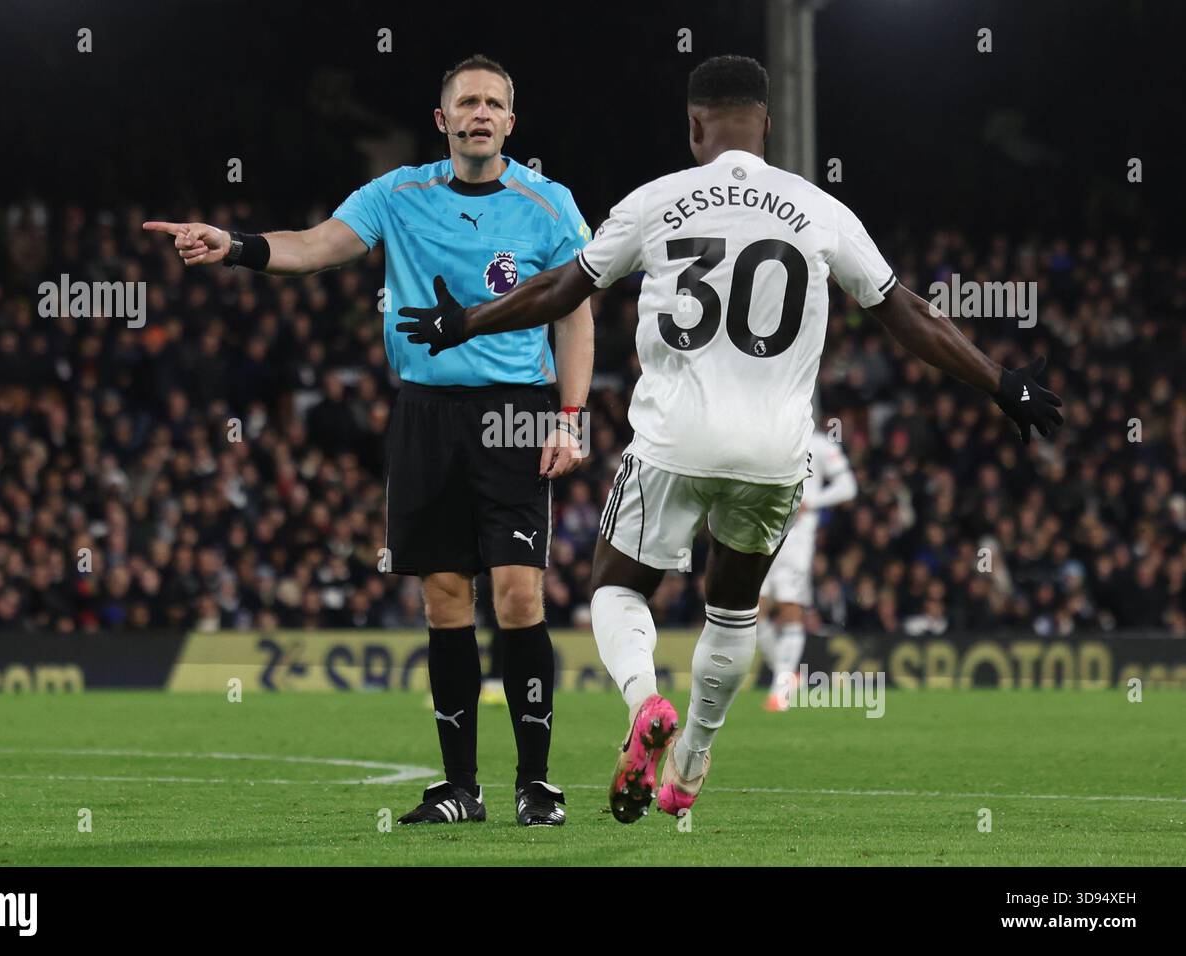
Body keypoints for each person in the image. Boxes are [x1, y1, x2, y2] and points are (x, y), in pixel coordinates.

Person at [397, 53, 1062, 822]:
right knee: (735, 611)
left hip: (675, 440)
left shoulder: (656, 201)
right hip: (776, 450)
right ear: (768, 127)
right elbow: (908, 312)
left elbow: (562, 289)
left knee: (617, 586)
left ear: (694, 127)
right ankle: (692, 761)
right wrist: (1001, 383)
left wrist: (464, 322)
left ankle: (645, 705)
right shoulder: (817, 208)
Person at [144, 54, 595, 827]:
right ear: (443, 120)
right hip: (423, 412)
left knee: (519, 594)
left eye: (493, 103)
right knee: (445, 597)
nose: (480, 113)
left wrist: (571, 414)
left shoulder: (548, 204)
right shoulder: (397, 193)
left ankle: (538, 783)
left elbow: (576, 311)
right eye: (467, 102)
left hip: (515, 410)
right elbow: (315, 246)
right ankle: (460, 788)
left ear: (510, 124)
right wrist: (237, 244)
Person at [759, 423, 857, 711]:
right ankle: (787, 675)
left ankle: (780, 691)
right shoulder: (770, 439)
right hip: (763, 533)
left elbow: (848, 486)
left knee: (790, 608)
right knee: (752, 611)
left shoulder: (822, 445)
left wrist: (812, 501)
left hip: (797, 541)